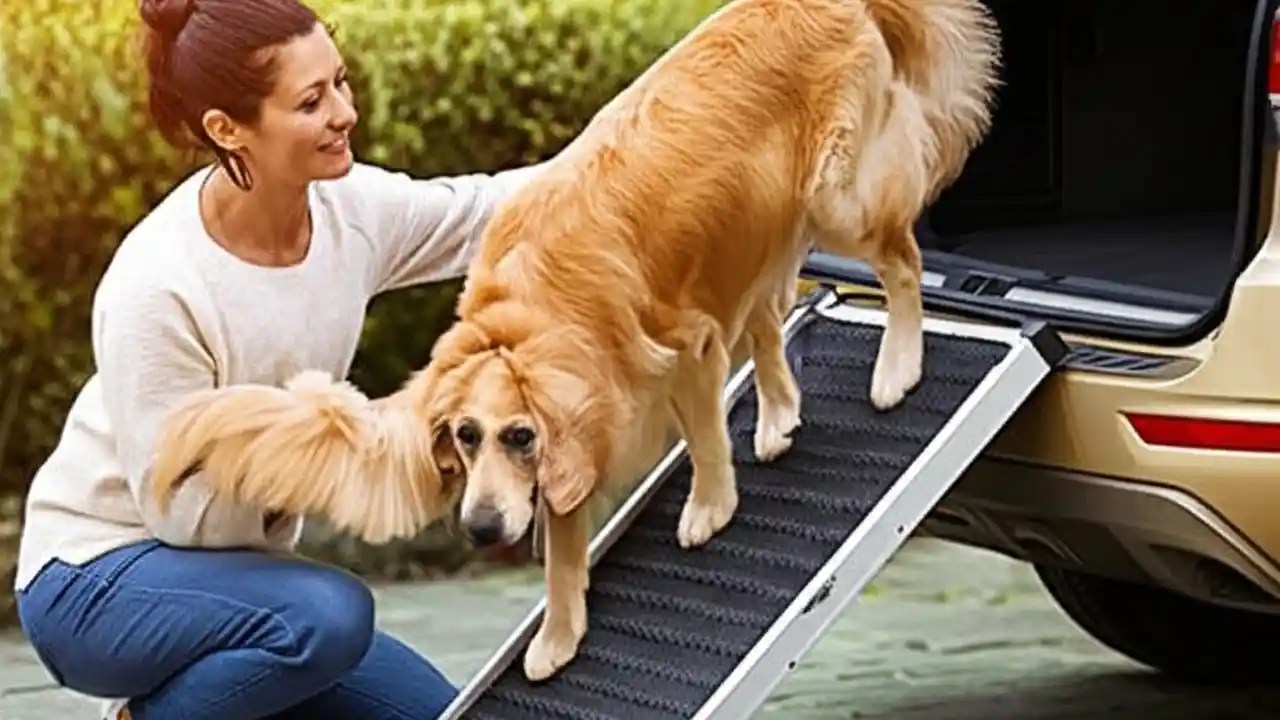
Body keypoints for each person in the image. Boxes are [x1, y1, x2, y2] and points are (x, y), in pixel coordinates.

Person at [11, 0, 545, 718]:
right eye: (311, 100)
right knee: (327, 619)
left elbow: (487, 213)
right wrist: (355, 457)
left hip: (244, 587)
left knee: (440, 713)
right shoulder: (160, 285)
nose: (344, 113)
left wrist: (644, 136)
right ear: (228, 129)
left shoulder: (349, 209)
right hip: (94, 581)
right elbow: (184, 519)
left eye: (341, 83)